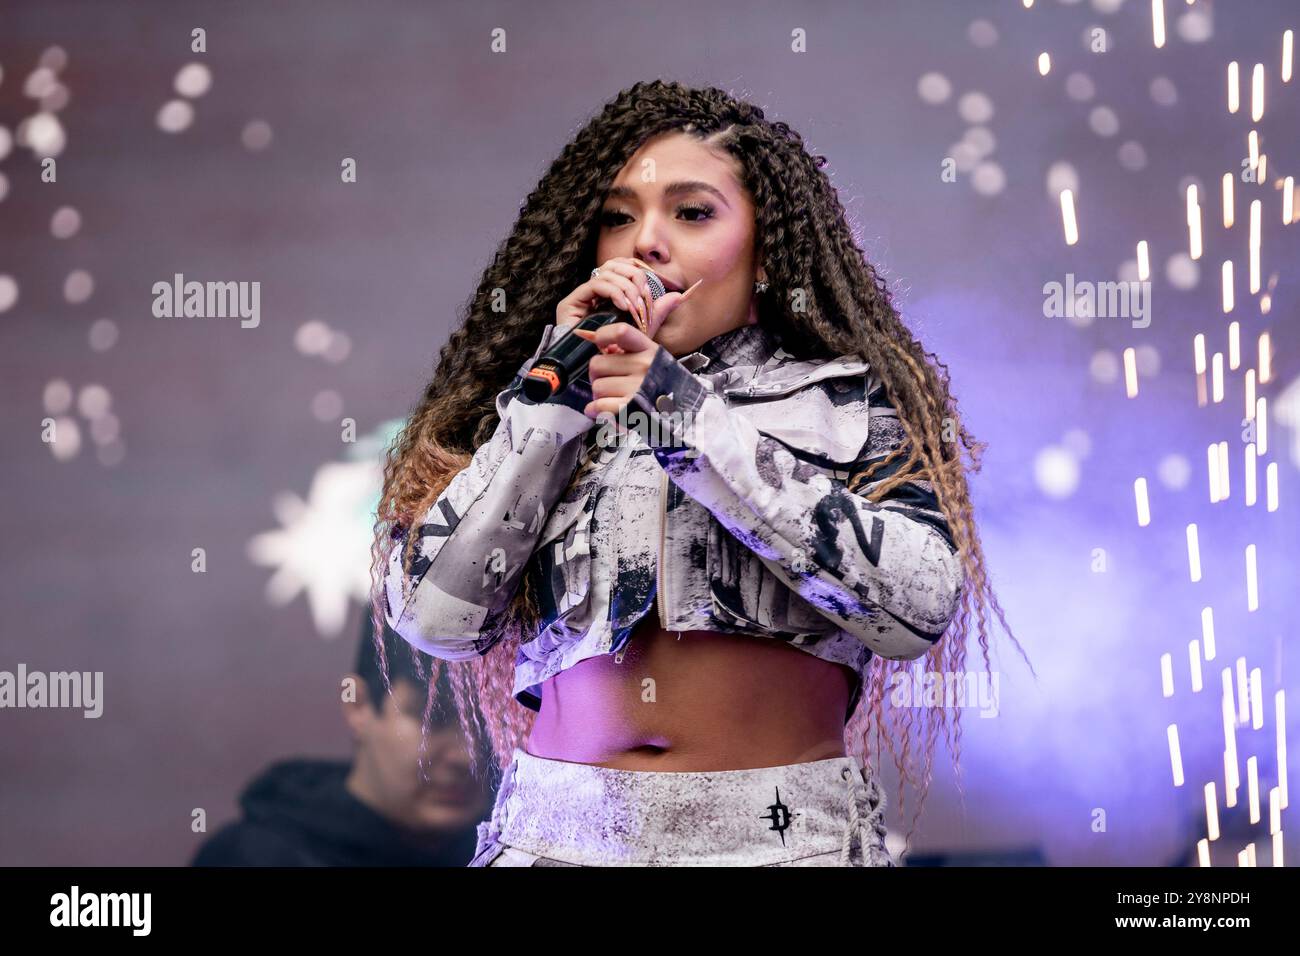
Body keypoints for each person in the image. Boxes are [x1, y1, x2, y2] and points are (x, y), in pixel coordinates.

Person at [370, 79, 1029, 867]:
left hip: (781, 843)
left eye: (692, 213)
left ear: (764, 250)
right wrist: (549, 414)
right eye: (617, 218)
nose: (645, 243)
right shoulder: (543, 397)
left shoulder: (847, 399)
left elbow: (918, 607)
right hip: (554, 838)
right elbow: (434, 622)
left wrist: (681, 416)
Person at [190, 612, 492, 866]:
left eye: (491, 723)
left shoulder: (511, 853)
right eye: (433, 718)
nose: (466, 755)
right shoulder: (252, 857)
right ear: (359, 705)